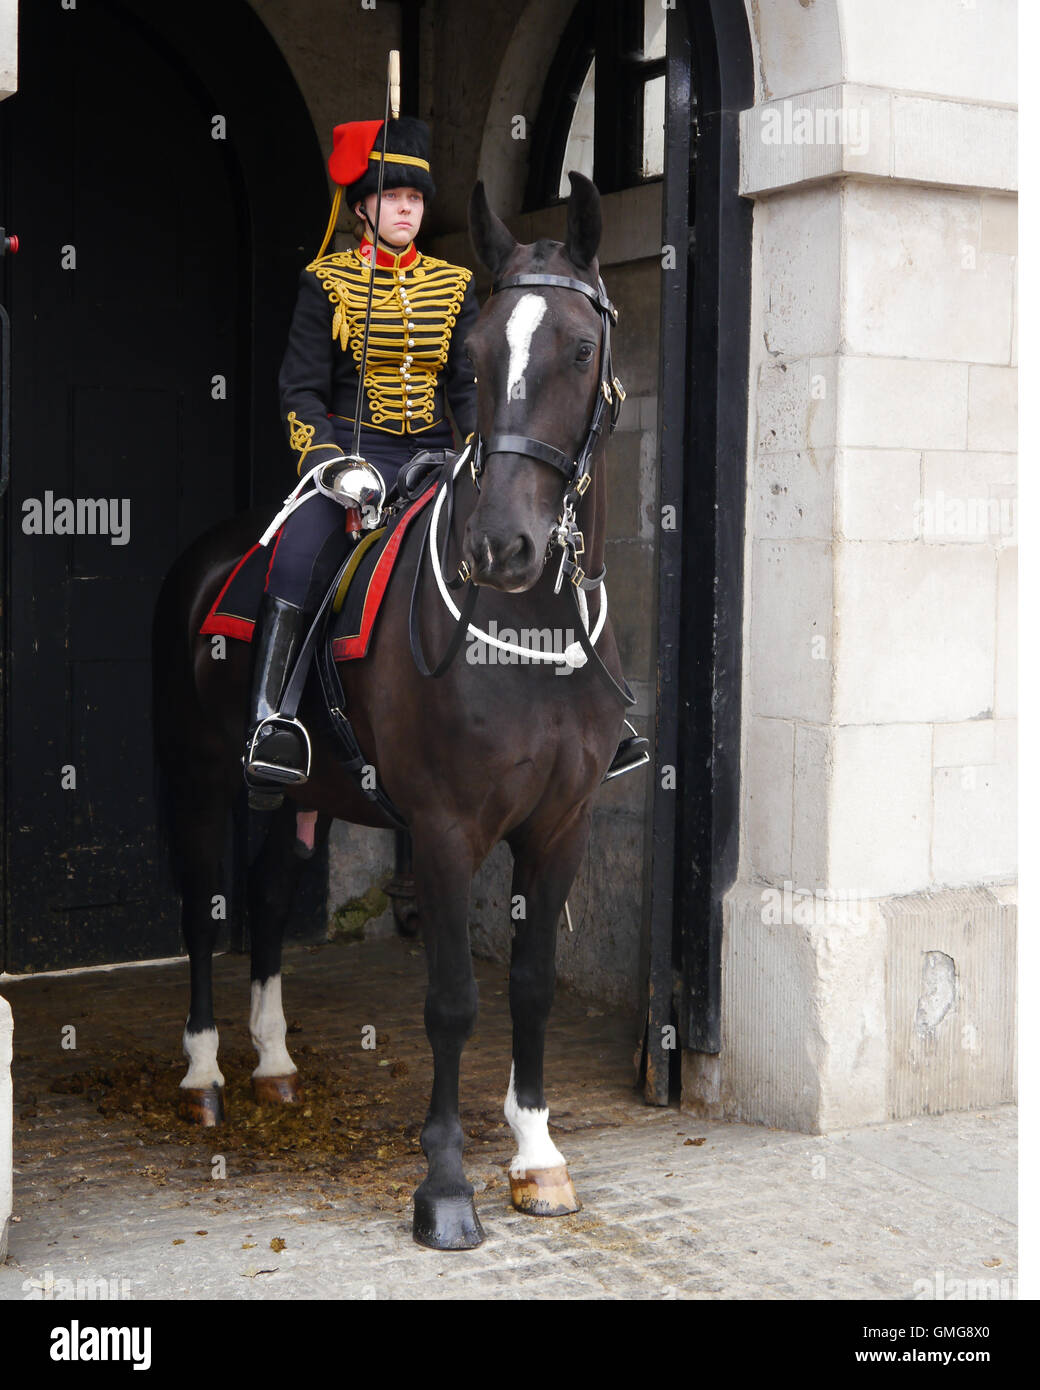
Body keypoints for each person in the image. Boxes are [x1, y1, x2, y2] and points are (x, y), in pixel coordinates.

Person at [243, 116, 479, 803]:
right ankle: (271, 720)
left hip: (438, 455)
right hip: (354, 454)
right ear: (361, 207)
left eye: (416, 197)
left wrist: (476, 456)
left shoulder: (455, 285)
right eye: (393, 194)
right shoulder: (328, 281)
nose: (407, 207)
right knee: (298, 549)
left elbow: (463, 388)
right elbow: (300, 390)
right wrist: (329, 463)